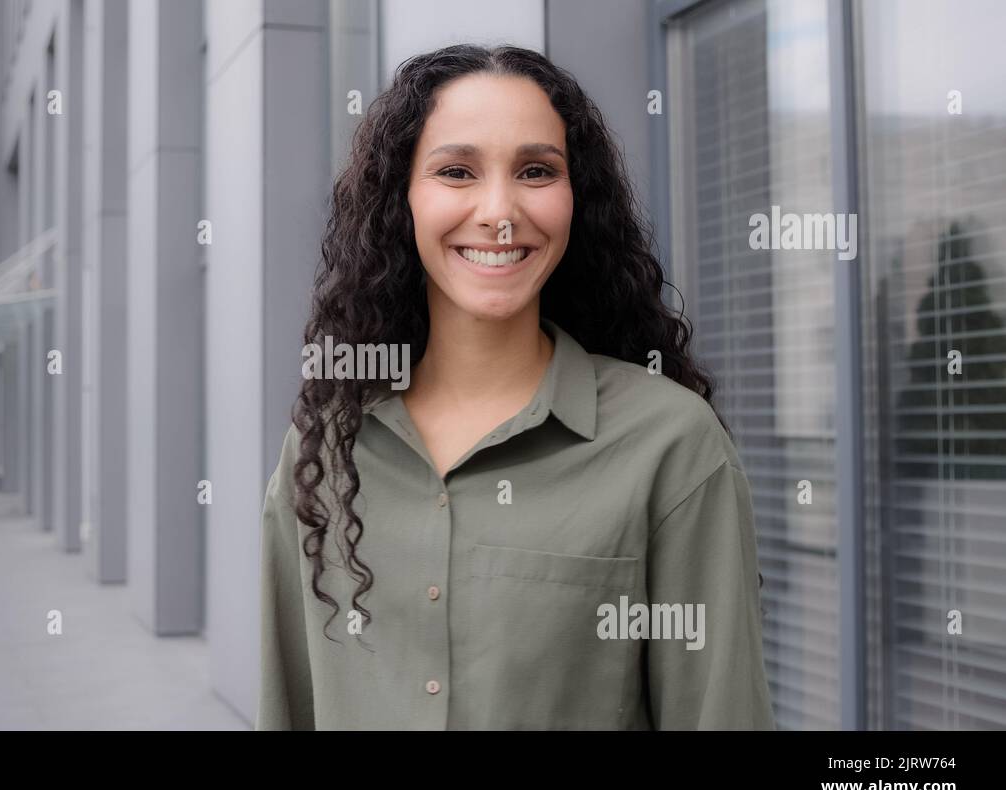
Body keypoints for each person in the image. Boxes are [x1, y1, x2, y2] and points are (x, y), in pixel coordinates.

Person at [257, 43, 775, 730]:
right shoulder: (325, 442)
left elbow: (720, 713)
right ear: (401, 199)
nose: (499, 210)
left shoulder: (671, 445)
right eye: (456, 171)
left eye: (536, 170)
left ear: (575, 200)